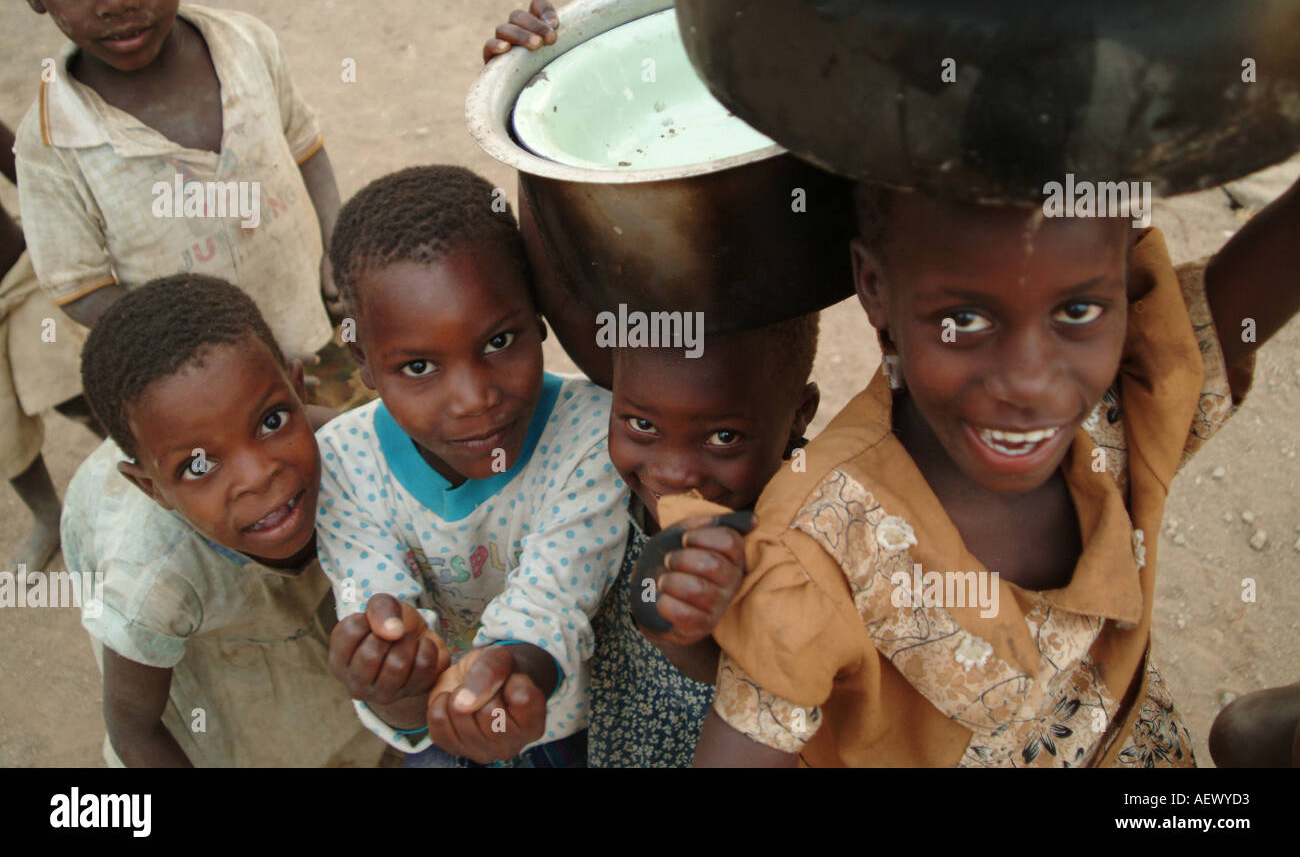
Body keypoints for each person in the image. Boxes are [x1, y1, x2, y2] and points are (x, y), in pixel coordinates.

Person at [693, 175, 1299, 767]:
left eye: (1080, 309)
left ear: (1122, 270)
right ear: (876, 285)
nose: (1029, 383)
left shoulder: (1120, 401)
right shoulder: (819, 545)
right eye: (968, 320)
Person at [318, 165, 630, 767]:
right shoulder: (343, 466)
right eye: (418, 368)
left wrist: (507, 675)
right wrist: (395, 670)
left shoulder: (591, 435)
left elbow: (553, 602)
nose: (473, 399)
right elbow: (375, 598)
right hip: (440, 729)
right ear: (363, 360)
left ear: (536, 316)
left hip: (575, 723)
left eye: (498, 342)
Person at [0, 0, 351, 392]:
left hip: (322, 324)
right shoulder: (52, 143)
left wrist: (337, 244)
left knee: (356, 446)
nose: (115, 0)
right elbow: (80, 288)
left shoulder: (246, 44)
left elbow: (304, 144)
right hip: (209, 388)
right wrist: (204, 350)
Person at [61, 274, 385, 767]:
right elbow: (133, 730)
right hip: (175, 608)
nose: (257, 476)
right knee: (219, 705)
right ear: (152, 488)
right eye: (197, 466)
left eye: (272, 421)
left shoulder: (350, 447)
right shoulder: (150, 585)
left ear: (298, 392)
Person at [588, 317, 819, 766]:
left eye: (723, 437)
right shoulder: (600, 493)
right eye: (642, 424)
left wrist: (674, 618)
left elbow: (750, 681)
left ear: (800, 413)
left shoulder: (810, 535)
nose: (674, 473)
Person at [0, 116, 100, 570]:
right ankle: (47, 514)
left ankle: (151, 467)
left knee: (74, 386)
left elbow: (24, 169)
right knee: (4, 433)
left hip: (18, 279)